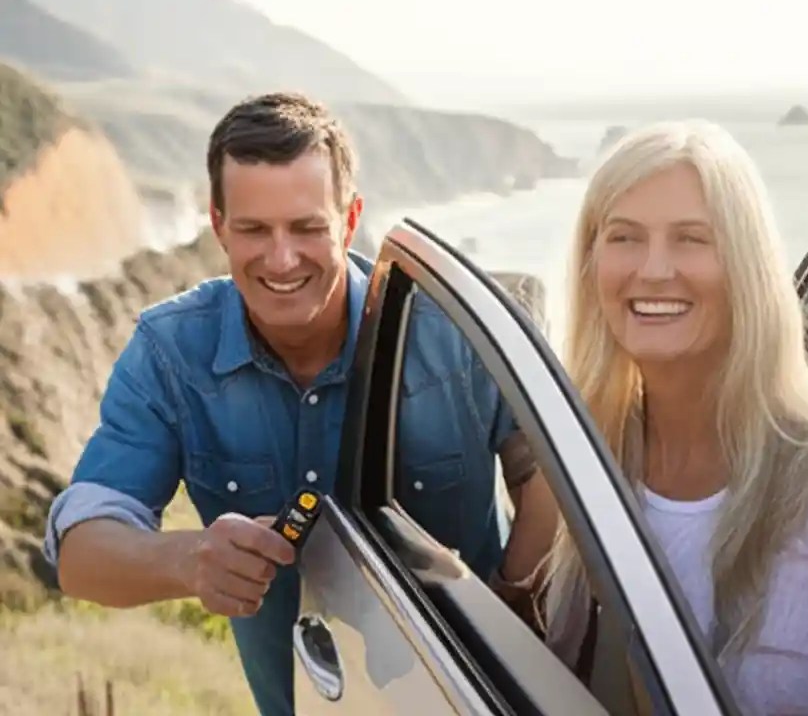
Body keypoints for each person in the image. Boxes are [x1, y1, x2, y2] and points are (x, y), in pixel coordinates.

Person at [41, 92, 558, 716]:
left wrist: (511, 607)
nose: (281, 259)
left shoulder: (455, 331)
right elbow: (81, 554)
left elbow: (547, 478)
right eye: (255, 229)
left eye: (307, 227)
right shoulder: (167, 353)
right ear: (218, 224)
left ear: (349, 218)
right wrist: (188, 559)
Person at [541, 120, 808, 715]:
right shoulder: (587, 454)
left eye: (691, 238)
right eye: (625, 237)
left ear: (746, 266)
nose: (654, 270)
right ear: (591, 263)